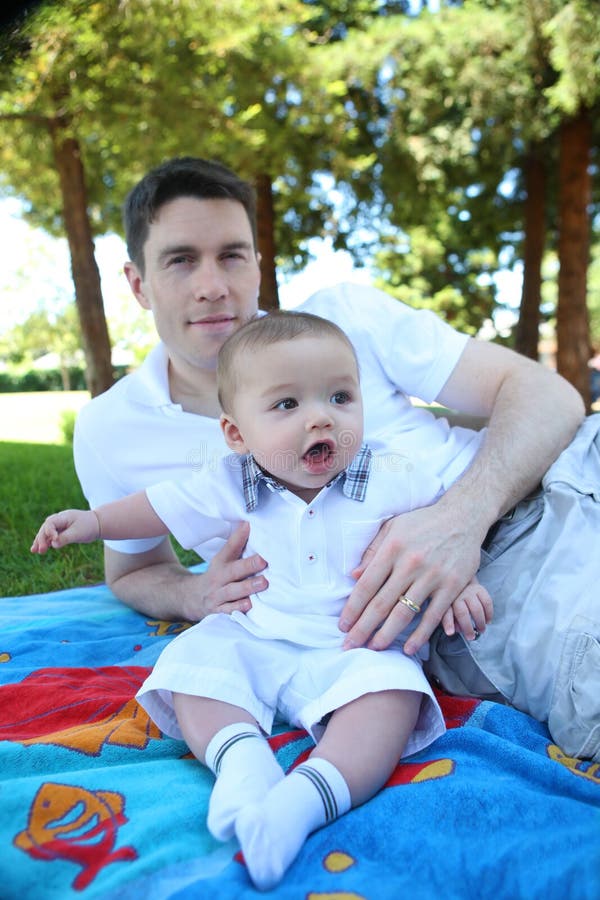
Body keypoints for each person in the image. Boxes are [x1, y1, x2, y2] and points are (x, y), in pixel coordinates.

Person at [72, 156, 599, 761]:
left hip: (565, 464)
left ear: (258, 266)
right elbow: (132, 571)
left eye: (233, 255)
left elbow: (548, 394)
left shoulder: (341, 316)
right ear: (137, 283)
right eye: (181, 259)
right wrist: (193, 595)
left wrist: (461, 517)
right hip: (483, 587)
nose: (213, 284)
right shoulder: (112, 427)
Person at [32, 311, 493, 889]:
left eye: (340, 396)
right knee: (193, 669)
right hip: (255, 630)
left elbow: (446, 532)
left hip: (354, 643)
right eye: (287, 405)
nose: (321, 416)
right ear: (236, 433)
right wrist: (94, 521)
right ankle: (240, 760)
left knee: (391, 698)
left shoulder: (392, 474)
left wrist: (462, 579)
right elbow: (158, 505)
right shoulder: (230, 480)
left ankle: (304, 800)